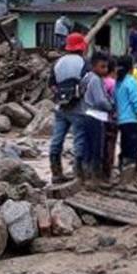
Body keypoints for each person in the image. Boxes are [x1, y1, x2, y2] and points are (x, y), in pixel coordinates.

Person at [47, 33, 87, 183]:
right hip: (78, 107)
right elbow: (87, 84)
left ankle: (56, 173)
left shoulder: (58, 63)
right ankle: (78, 174)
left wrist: (60, 93)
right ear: (81, 48)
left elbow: (51, 84)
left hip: (60, 108)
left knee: (57, 139)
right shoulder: (83, 63)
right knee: (79, 140)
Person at [78, 52, 115, 182]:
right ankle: (95, 178)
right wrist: (112, 106)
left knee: (87, 147)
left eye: (106, 67)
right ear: (94, 66)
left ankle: (85, 176)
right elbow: (100, 101)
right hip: (96, 116)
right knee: (96, 148)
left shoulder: (86, 77)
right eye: (102, 67)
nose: (105, 70)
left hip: (86, 114)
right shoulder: (95, 79)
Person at [115, 55, 137, 184]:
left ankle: (124, 177)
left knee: (125, 149)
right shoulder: (131, 81)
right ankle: (128, 181)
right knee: (133, 150)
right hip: (132, 120)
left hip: (121, 121)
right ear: (132, 66)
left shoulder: (118, 82)